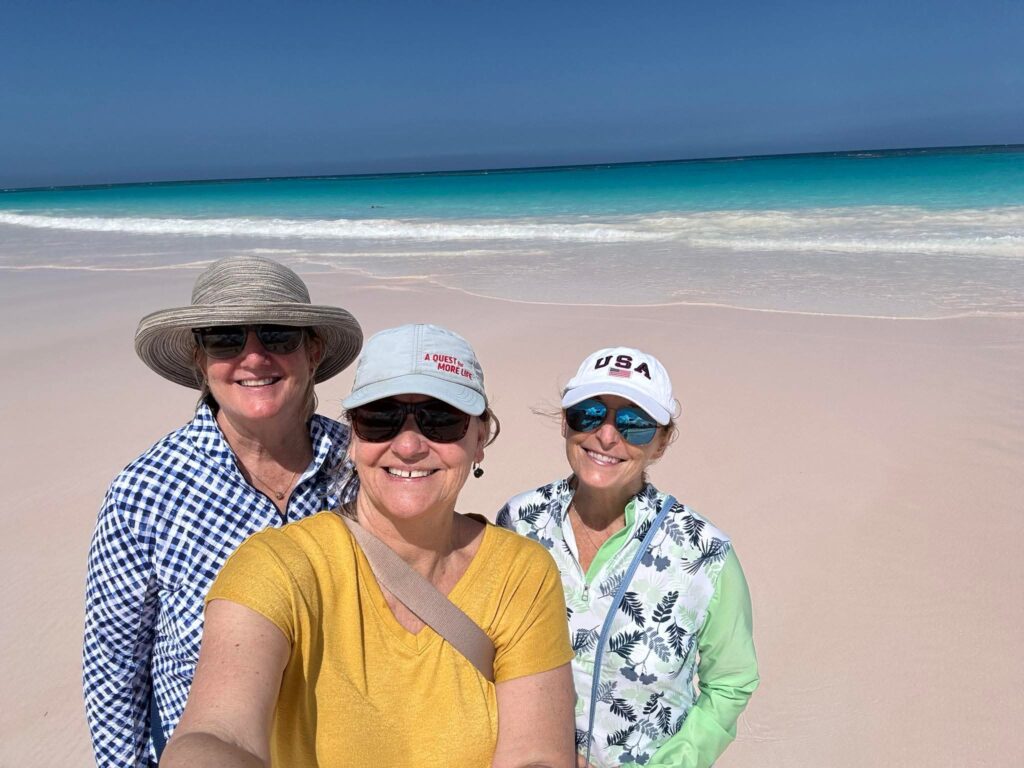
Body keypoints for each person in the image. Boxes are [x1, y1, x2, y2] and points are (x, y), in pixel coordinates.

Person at [162, 323, 577, 768]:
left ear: (479, 439)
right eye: (380, 419)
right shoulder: (279, 564)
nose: (409, 445)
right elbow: (216, 734)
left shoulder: (521, 572)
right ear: (353, 440)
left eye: (442, 420)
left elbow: (536, 755)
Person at [83, 255, 363, 767]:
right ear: (200, 360)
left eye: (277, 335)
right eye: (226, 339)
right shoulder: (145, 491)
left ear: (313, 350)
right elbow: (115, 672)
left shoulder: (362, 466)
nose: (253, 358)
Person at [497, 347, 759, 768]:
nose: (607, 435)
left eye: (634, 424)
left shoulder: (706, 553)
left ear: (661, 442)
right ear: (566, 422)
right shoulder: (519, 521)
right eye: (590, 414)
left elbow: (730, 682)